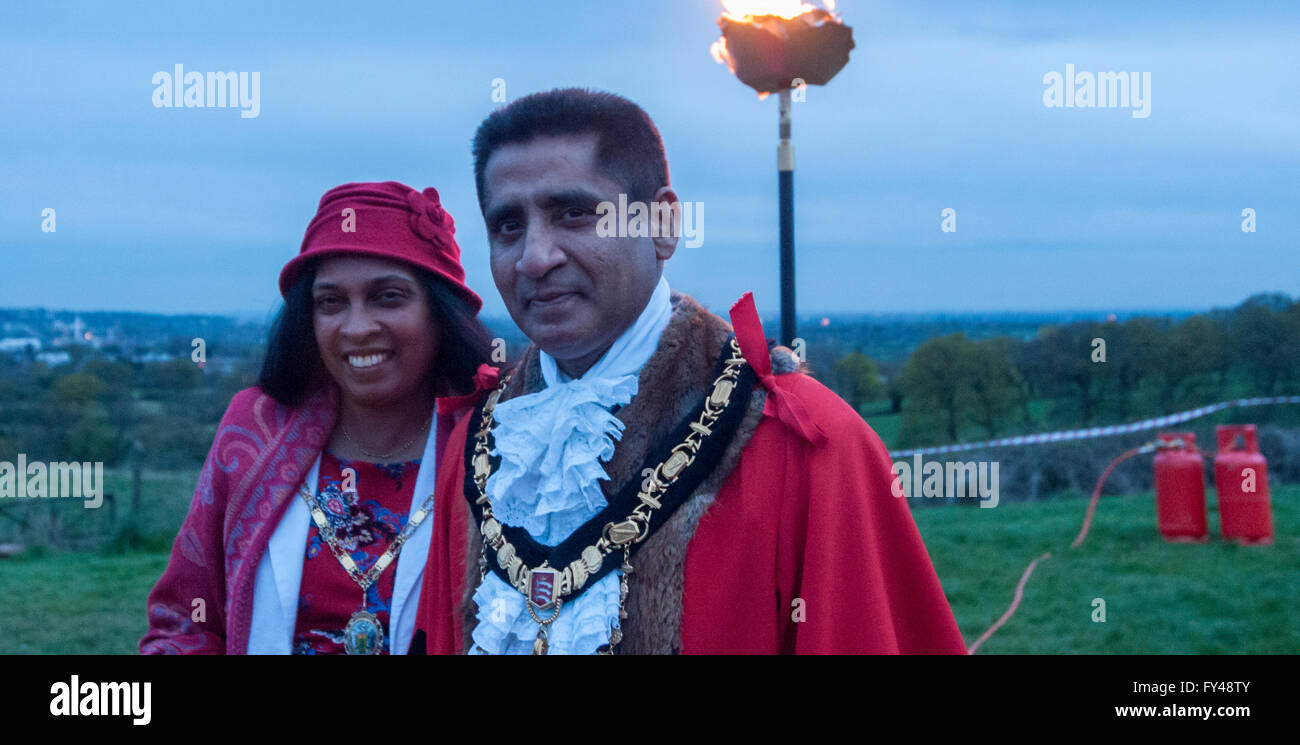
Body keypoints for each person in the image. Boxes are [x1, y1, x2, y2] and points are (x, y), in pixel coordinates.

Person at [411, 88, 968, 654]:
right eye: (508, 226)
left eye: (574, 214)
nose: (534, 257)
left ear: (662, 224)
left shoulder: (805, 440)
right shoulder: (478, 447)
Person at [141, 181, 496, 654]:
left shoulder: (493, 438)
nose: (356, 327)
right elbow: (184, 622)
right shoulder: (253, 429)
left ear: (441, 312)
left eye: (388, 297)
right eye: (331, 302)